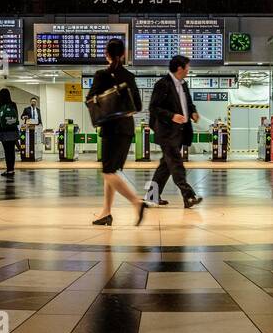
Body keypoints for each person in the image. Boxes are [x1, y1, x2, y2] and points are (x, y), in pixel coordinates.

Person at [85, 37, 146, 226]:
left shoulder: (101, 75)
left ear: (107, 54)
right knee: (110, 170)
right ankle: (106, 212)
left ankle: (136, 202)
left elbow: (90, 99)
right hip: (127, 128)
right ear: (123, 55)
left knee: (108, 172)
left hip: (111, 129)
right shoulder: (129, 76)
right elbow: (138, 105)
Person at [145, 54, 203, 209]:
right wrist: (172, 116)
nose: (188, 70)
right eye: (187, 67)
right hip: (167, 132)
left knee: (166, 165)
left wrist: (193, 112)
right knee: (177, 164)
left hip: (181, 131)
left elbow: (188, 103)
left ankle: (152, 195)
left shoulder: (183, 84)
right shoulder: (162, 84)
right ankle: (188, 196)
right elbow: (154, 108)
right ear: (180, 68)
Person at [0, 87, 19, 179]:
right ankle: (11, 169)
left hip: (4, 131)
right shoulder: (13, 104)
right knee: (12, 151)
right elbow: (16, 117)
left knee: (7, 151)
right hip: (13, 130)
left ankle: (8, 170)